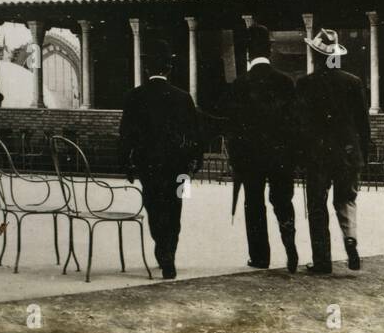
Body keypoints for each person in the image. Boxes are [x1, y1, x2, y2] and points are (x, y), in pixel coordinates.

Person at [118, 39, 203, 279]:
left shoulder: (134, 97)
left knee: (154, 207)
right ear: (169, 68)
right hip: (180, 168)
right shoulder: (183, 97)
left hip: (148, 165)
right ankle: (169, 256)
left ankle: (162, 249)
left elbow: (126, 135)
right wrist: (196, 161)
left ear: (146, 69)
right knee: (176, 207)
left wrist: (126, 164)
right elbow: (195, 134)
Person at [218, 24, 299, 272]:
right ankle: (289, 244)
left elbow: (232, 128)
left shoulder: (239, 85)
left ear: (247, 52)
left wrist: (235, 157)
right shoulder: (286, 82)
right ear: (270, 50)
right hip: (281, 156)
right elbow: (295, 123)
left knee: (254, 204)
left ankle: (260, 257)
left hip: (250, 158)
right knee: (283, 200)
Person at [295, 28, 369, 274]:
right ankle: (350, 239)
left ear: (316, 56)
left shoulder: (305, 84)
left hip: (317, 156)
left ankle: (322, 261)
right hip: (348, 153)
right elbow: (363, 125)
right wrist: (362, 157)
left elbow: (300, 125)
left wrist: (301, 155)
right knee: (346, 199)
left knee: (317, 206)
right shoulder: (353, 82)